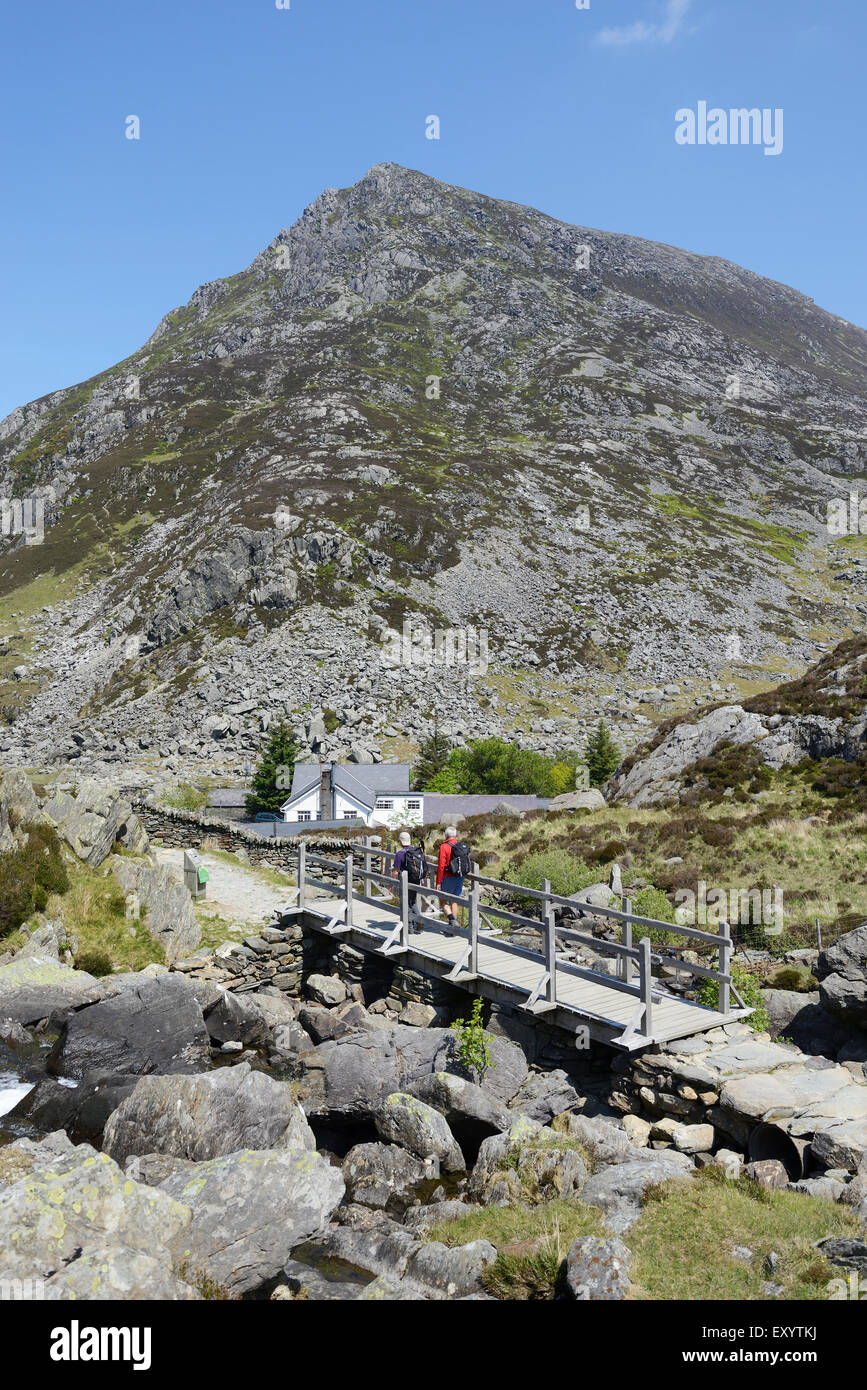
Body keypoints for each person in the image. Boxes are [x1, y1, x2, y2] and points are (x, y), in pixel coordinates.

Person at [436, 825, 471, 932]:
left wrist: (438, 882)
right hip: (459, 877)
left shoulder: (444, 846)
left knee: (442, 901)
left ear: (446, 835)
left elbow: (441, 866)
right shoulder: (460, 845)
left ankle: (451, 920)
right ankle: (453, 929)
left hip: (447, 877)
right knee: (454, 901)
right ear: (455, 835)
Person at [392, 830, 427, 932]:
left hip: (405, 881)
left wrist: (392, 882)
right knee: (413, 901)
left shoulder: (400, 854)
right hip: (416, 880)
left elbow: (395, 871)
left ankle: (409, 927)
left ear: (400, 841)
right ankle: (419, 920)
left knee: (406, 903)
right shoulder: (416, 851)